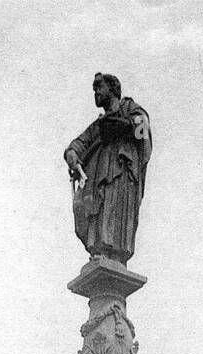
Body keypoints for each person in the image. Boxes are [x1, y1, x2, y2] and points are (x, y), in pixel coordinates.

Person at [64, 73, 152, 264]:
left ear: (112, 89)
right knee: (96, 208)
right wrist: (71, 153)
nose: (95, 92)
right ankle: (99, 248)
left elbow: (142, 128)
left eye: (99, 87)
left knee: (114, 208)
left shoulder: (129, 108)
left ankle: (114, 251)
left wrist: (124, 127)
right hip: (99, 176)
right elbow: (81, 142)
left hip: (121, 171)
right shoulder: (99, 124)